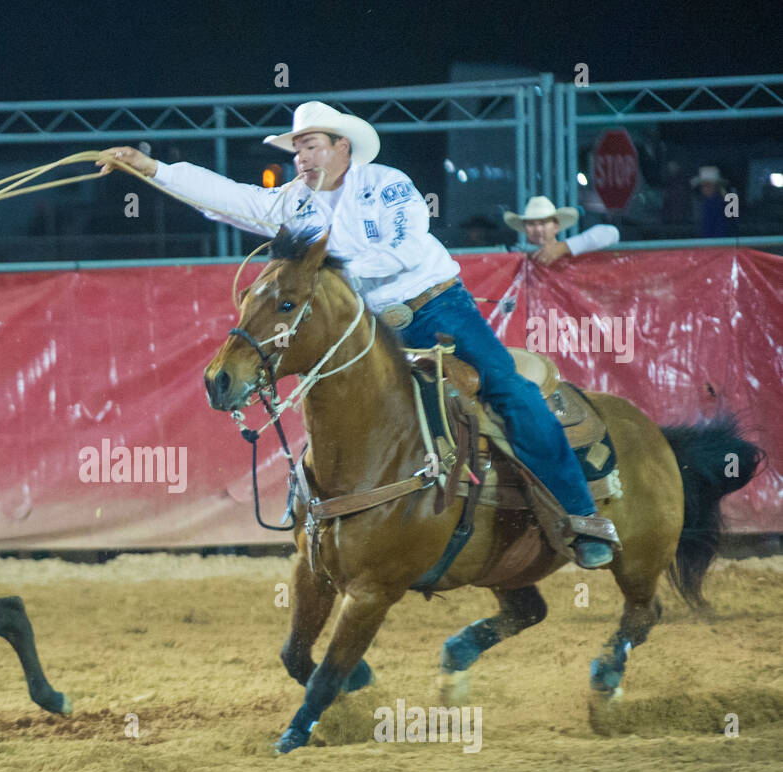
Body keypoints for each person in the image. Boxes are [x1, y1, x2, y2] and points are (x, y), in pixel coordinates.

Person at [97, 101, 618, 568]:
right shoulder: (295, 202)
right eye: (296, 147)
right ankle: (328, 505)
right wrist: (151, 168)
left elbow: (408, 247)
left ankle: (581, 513)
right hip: (368, 323)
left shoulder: (386, 184)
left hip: (436, 307)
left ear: (341, 147)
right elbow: (231, 197)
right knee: (336, 397)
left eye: (310, 145)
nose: (300, 157)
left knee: (508, 389)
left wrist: (334, 263)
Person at [502, 195, 619, 265]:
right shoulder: (518, 261)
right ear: (524, 228)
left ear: (556, 226)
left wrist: (564, 247)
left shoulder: (573, 250)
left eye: (543, 223)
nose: (537, 229)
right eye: (531, 224)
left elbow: (611, 233)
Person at [690, 166, 731, 238]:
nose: (705, 189)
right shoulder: (700, 202)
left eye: (708, 185)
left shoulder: (722, 204)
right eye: (703, 186)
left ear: (717, 186)